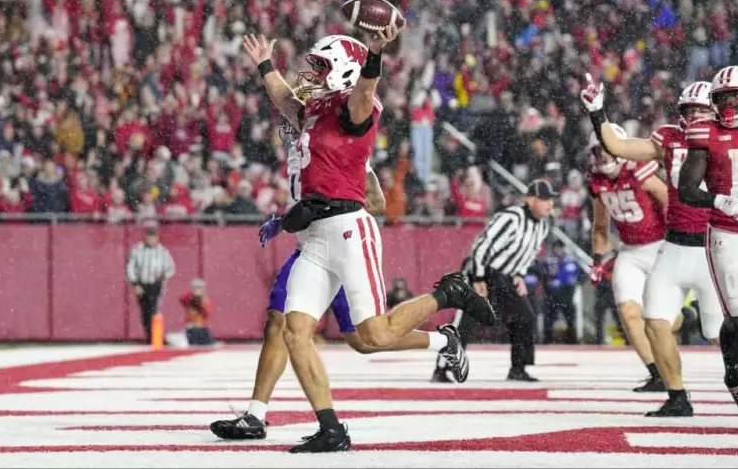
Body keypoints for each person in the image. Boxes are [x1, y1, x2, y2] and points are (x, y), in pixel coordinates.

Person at [232, 30, 495, 453]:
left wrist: (374, 52)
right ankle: (331, 428)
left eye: (322, 66)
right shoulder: (315, 110)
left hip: (349, 230)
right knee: (295, 331)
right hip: (314, 236)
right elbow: (284, 99)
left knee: (372, 336)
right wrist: (265, 65)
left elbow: (366, 87)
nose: (312, 73)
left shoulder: (358, 106)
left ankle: (450, 292)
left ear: (345, 72)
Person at [210, 124, 467, 441]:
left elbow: (376, 203)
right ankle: (255, 415)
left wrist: (321, 206)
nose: (292, 126)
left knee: (365, 339)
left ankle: (443, 341)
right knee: (278, 323)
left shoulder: (340, 148)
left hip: (343, 247)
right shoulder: (298, 156)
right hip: (309, 251)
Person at [585, 76, 738, 415]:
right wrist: (597, 112)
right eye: (688, 111)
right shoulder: (669, 138)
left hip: (713, 242)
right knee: (654, 321)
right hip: (674, 245)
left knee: (721, 329)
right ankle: (677, 396)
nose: (694, 118)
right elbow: (618, 147)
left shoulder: (730, 137)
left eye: (701, 110)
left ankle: (736, 374)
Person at [678, 65, 738, 418]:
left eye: (737, 96)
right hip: (727, 233)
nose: (730, 104)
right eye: (724, 98)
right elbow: (687, 190)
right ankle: (733, 377)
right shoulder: (704, 133)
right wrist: (718, 199)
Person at [432, 179, 556, 383]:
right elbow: (482, 246)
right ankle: (441, 368)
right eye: (544, 199)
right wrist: (478, 277)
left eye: (551, 199)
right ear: (531, 200)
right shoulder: (512, 218)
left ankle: (518, 368)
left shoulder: (542, 225)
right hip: (482, 270)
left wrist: (519, 275)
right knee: (466, 321)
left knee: (524, 317)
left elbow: (527, 255)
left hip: (505, 275)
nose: (549, 204)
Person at [584, 118, 670, 393]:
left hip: (660, 247)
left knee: (661, 318)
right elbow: (600, 227)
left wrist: (680, 241)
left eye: (606, 149)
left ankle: (684, 318)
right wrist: (598, 260)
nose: (602, 155)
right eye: (597, 151)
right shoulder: (596, 181)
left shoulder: (638, 169)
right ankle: (655, 372)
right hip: (630, 251)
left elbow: (670, 200)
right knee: (627, 311)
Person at [125, 224, 176, 343]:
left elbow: (171, 268)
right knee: (145, 311)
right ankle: (150, 335)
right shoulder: (137, 250)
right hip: (142, 284)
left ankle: (155, 336)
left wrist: (163, 275)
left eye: (153, 237)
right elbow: (130, 268)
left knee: (154, 310)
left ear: (157, 238)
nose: (151, 239)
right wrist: (134, 284)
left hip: (155, 284)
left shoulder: (162, 251)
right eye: (149, 236)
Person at [542, 240, 580, 344]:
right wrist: (548, 276)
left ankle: (572, 340)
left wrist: (574, 284)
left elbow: (581, 275)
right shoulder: (548, 261)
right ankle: (547, 340)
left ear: (563, 248)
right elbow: (542, 274)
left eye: (560, 247)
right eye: (556, 248)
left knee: (570, 318)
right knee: (550, 318)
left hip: (567, 293)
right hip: (553, 294)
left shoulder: (571, 260)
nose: (558, 250)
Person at [178, 279, 213, 346]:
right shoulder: (189, 298)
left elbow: (205, 314)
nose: (197, 290)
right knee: (193, 332)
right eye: (195, 287)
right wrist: (193, 296)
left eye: (200, 287)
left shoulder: (206, 301)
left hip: (201, 328)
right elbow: (182, 299)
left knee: (204, 336)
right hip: (191, 327)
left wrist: (199, 303)